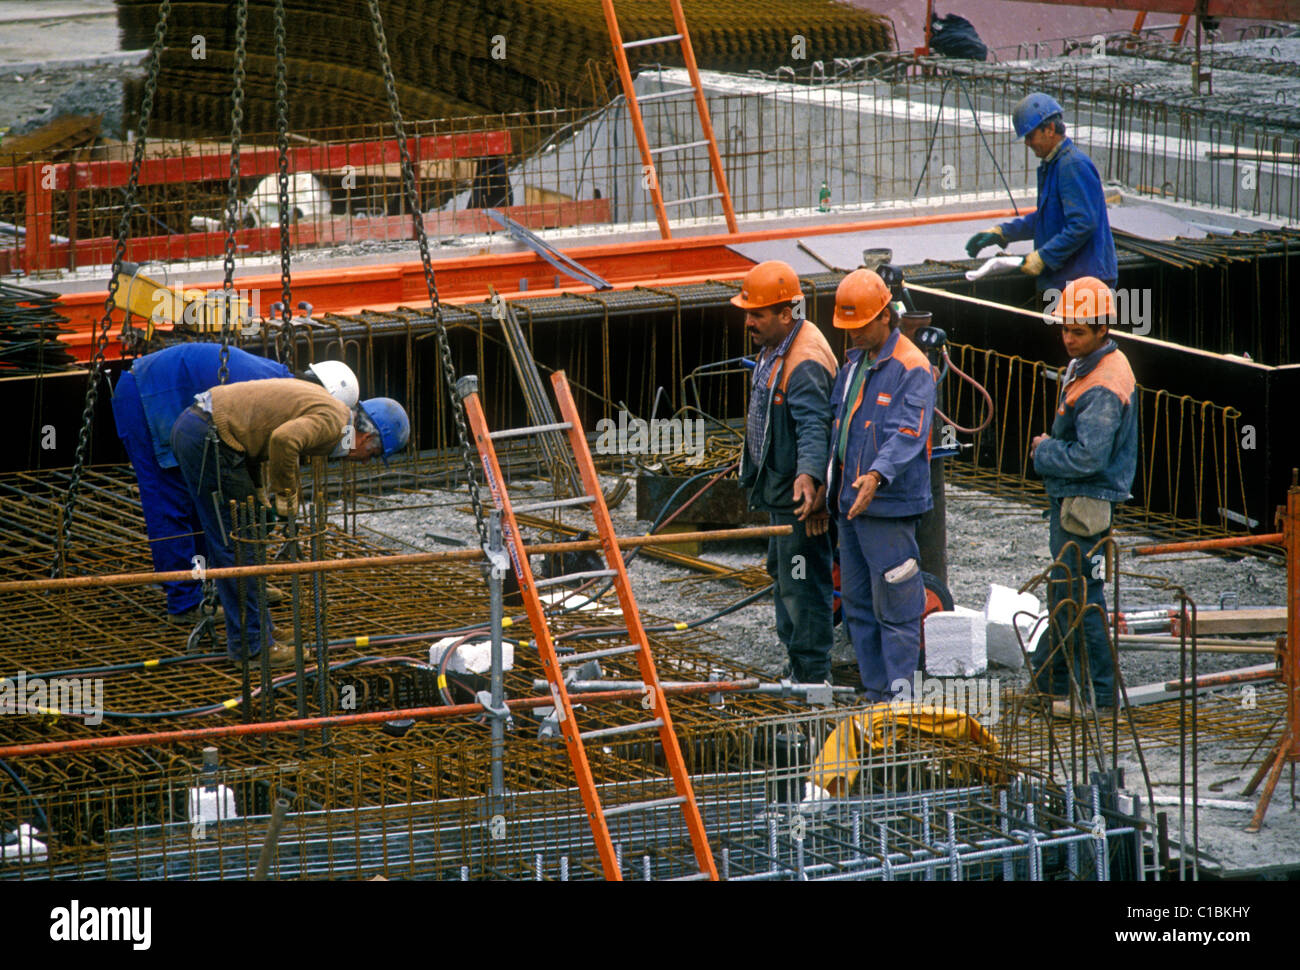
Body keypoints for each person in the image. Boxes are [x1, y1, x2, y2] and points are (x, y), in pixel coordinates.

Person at [111, 343, 359, 625]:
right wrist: (279, 496)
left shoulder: (283, 387)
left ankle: (224, 581)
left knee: (209, 503)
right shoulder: (277, 389)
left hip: (171, 400)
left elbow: (247, 448)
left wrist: (257, 494)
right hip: (146, 396)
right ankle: (185, 601)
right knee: (171, 504)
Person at [170, 380, 408, 667]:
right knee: (237, 545)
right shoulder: (333, 423)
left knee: (250, 534)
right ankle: (252, 647)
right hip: (208, 437)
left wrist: (258, 489)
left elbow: (256, 434)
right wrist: (286, 493)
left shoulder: (333, 414)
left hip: (212, 433)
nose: (366, 462)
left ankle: (263, 631)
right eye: (372, 454)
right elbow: (283, 440)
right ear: (366, 437)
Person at [1029, 277, 1138, 717]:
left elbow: (1089, 457)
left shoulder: (1102, 387)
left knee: (1084, 598)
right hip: (1075, 501)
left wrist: (1043, 451)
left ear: (1102, 330)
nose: (1068, 339)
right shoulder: (1090, 364)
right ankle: (1051, 685)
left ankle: (1101, 698)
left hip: (1085, 505)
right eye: (1065, 329)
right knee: (1065, 592)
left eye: (1077, 332)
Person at [826, 269, 936, 701]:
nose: (852, 334)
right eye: (847, 327)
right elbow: (839, 428)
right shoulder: (855, 363)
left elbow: (909, 433)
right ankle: (875, 692)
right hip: (850, 506)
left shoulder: (911, 366)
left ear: (885, 316)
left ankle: (901, 698)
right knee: (857, 605)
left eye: (859, 326)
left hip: (887, 508)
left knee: (897, 606)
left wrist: (876, 475)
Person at [731, 260, 838, 684]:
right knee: (784, 573)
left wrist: (810, 480)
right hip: (779, 491)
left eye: (757, 314)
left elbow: (815, 427)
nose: (748, 321)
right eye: (747, 311)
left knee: (802, 582)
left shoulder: (805, 359)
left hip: (798, 501)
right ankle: (798, 663)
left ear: (786, 313)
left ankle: (812, 675)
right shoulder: (777, 346)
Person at [965, 92, 1117, 294]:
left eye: (1030, 136)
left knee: (1074, 328)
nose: (1027, 143)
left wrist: (1044, 256)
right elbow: (1047, 218)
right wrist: (1003, 232)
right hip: (1069, 278)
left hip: (1085, 281)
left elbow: (1083, 224)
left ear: (1050, 129)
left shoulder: (1072, 165)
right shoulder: (1054, 164)